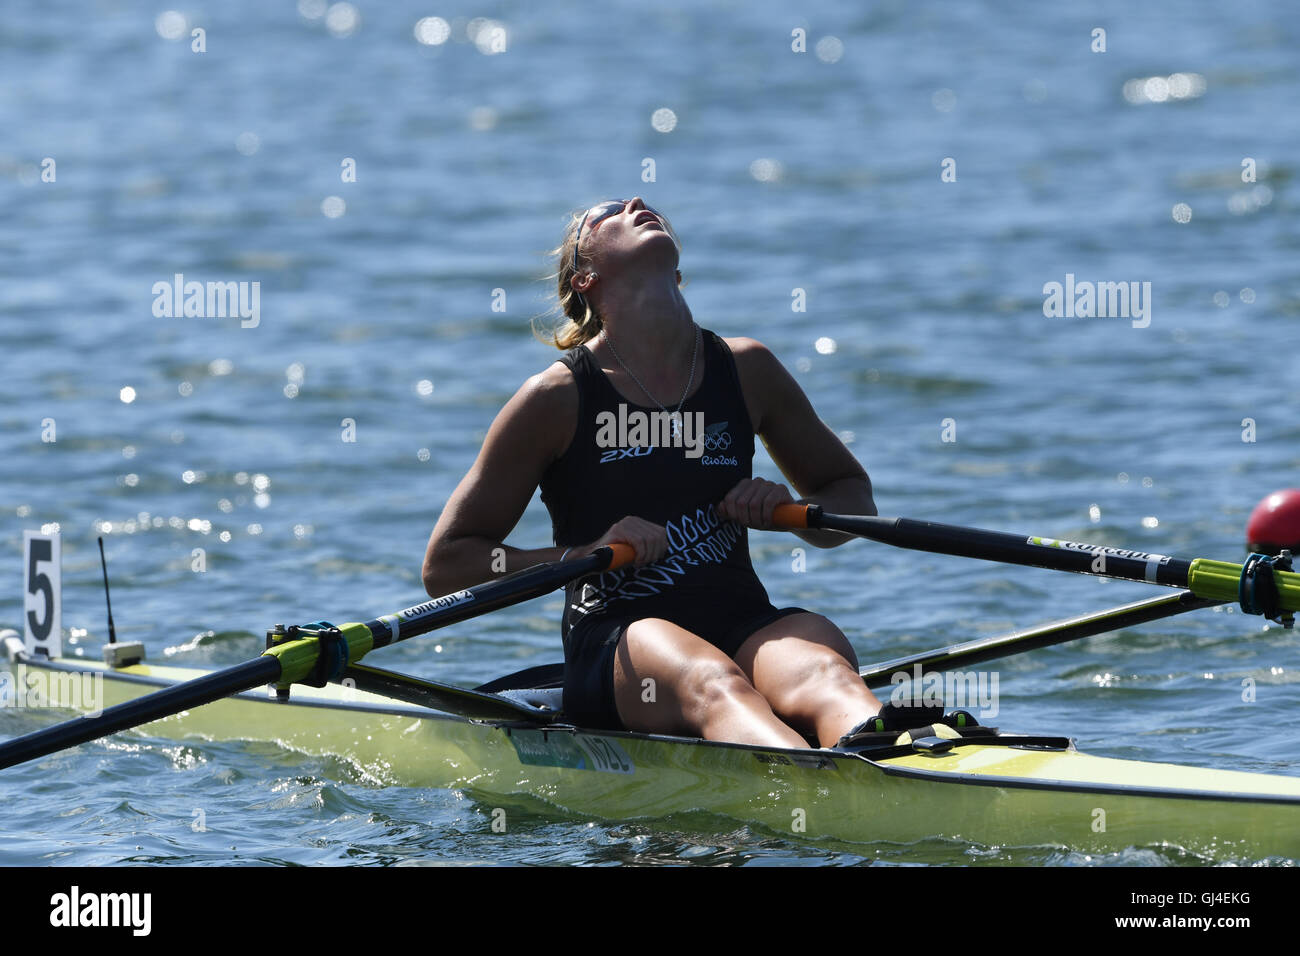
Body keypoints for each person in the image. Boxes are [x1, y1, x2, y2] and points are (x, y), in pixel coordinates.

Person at [421, 197, 885, 749]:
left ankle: (905, 763)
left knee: (826, 667)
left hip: (743, 620)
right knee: (713, 683)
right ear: (585, 277)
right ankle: (814, 795)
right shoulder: (556, 398)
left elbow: (853, 501)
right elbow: (448, 564)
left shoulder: (747, 370)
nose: (638, 203)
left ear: (679, 273)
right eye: (609, 212)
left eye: (640, 205)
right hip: (620, 634)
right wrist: (578, 555)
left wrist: (793, 517)